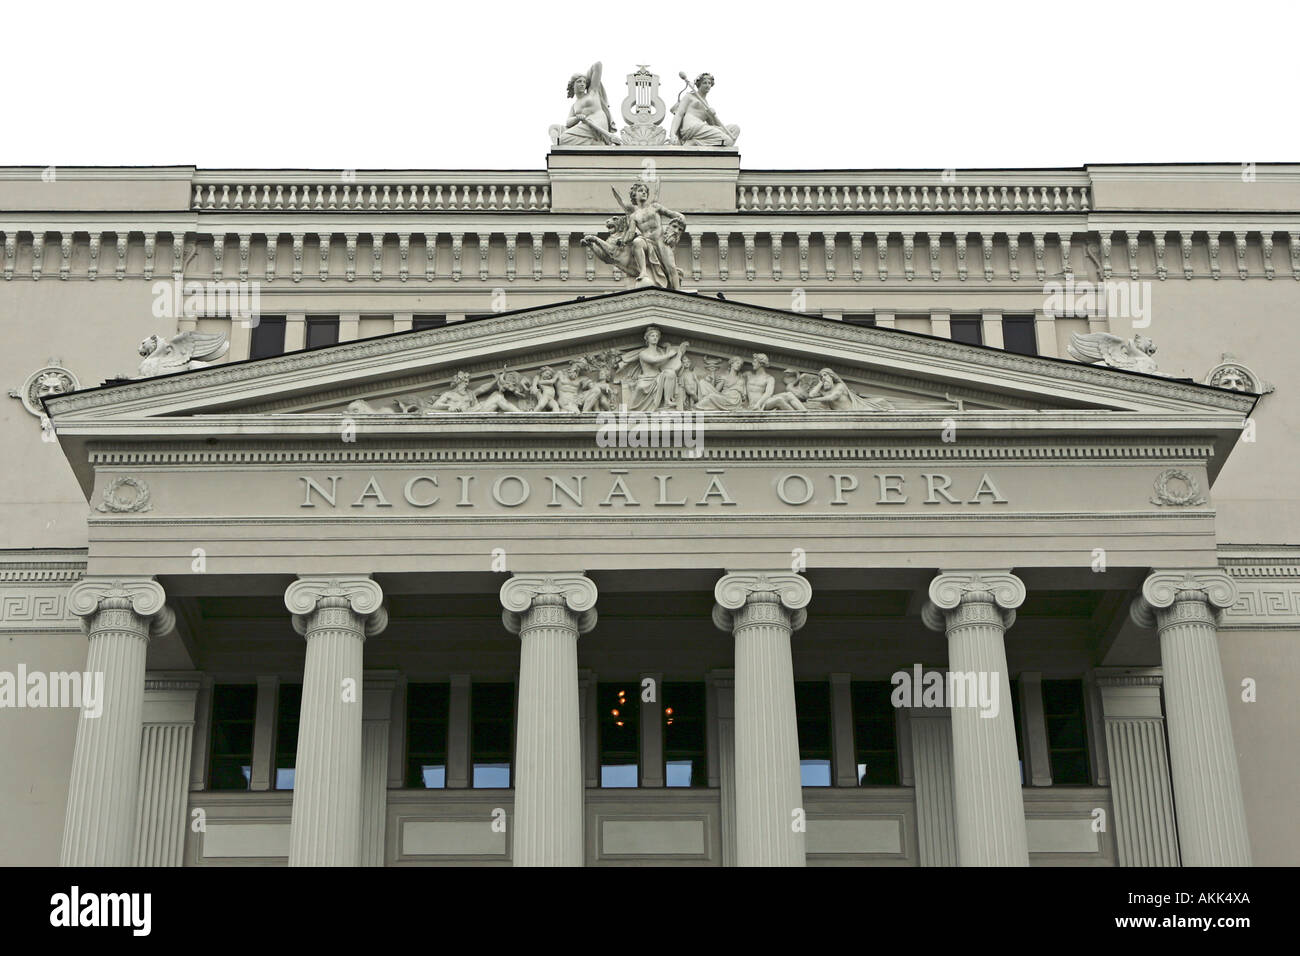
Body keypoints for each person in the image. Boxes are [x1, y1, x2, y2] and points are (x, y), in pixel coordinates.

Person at [613, 182, 687, 290]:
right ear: (634, 195)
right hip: (647, 241)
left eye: (645, 191)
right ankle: (643, 272)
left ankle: (677, 292)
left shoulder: (654, 207)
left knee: (671, 268)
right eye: (640, 191)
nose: (644, 193)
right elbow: (630, 233)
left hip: (660, 241)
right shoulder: (634, 216)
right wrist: (623, 241)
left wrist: (679, 221)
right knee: (637, 242)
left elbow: (672, 214)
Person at [618, 326, 690, 411]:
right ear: (647, 338)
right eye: (652, 336)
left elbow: (666, 366)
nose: (655, 337)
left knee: (670, 373)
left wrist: (679, 353)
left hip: (659, 378)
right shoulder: (643, 353)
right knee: (640, 387)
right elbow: (654, 360)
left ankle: (667, 401)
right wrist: (669, 354)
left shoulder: (660, 352)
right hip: (646, 380)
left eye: (656, 336)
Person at [549, 63, 617, 146]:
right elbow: (568, 122)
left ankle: (595, 141)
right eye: (579, 81)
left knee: (563, 138)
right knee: (562, 140)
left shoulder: (592, 91)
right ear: (573, 85)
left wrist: (586, 78)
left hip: (598, 123)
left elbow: (598, 65)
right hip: (587, 126)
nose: (582, 84)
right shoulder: (574, 105)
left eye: (584, 82)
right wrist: (577, 118)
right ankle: (595, 143)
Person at [669, 73, 740, 147]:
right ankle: (693, 143)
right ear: (699, 84)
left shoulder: (706, 105)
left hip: (702, 128)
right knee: (727, 141)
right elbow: (679, 114)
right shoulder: (689, 96)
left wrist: (712, 115)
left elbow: (713, 125)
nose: (707, 85)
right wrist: (672, 133)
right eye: (704, 83)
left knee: (734, 129)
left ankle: (697, 142)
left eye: (709, 83)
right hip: (691, 127)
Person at [804, 368, 893, 411]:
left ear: (831, 377)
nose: (823, 378)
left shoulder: (840, 386)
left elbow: (832, 397)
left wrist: (814, 399)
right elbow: (811, 395)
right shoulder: (823, 392)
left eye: (825, 375)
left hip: (857, 410)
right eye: (821, 377)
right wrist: (820, 383)